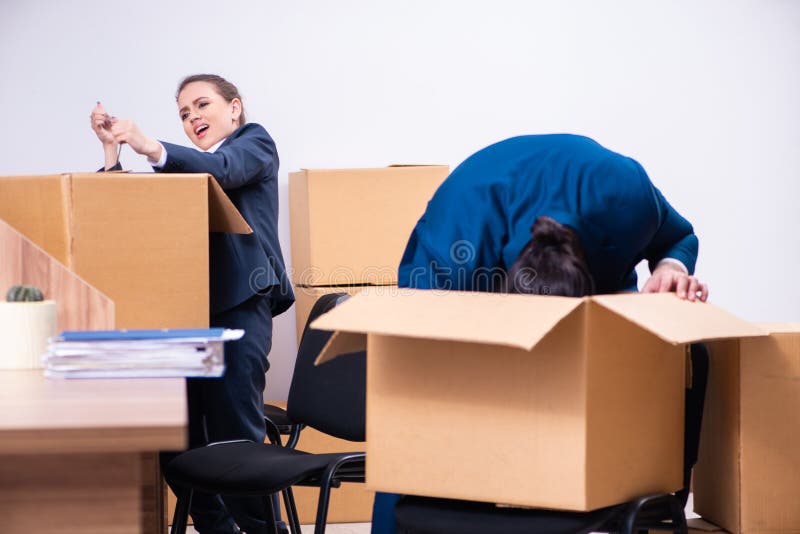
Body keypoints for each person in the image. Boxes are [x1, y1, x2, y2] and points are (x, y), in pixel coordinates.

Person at [372, 133, 709, 533]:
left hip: (596, 250)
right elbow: (414, 365)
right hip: (463, 256)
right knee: (421, 407)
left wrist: (671, 268)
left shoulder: (627, 200)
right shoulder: (458, 237)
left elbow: (677, 237)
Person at [90, 74, 294, 534]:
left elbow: (222, 171)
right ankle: (216, 527)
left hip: (240, 307)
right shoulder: (185, 172)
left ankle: (264, 531)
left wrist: (150, 146)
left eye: (202, 105)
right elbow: (129, 212)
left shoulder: (254, 144)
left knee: (232, 435)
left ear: (235, 108)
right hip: (185, 315)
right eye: (184, 113)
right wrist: (113, 154)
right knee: (173, 436)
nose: (192, 117)